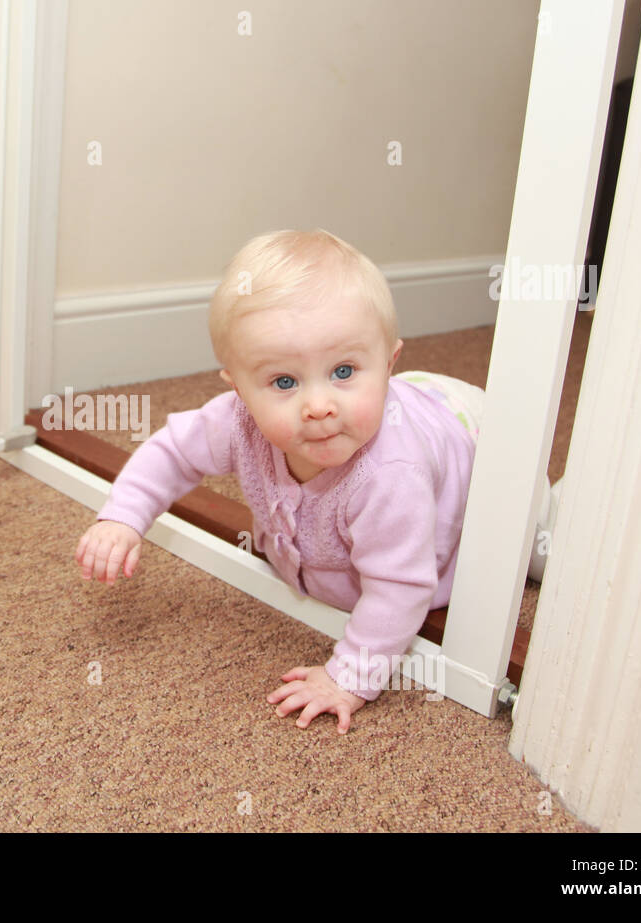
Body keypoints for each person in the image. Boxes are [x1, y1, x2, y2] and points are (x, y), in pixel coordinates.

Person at [73, 228, 554, 733]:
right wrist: (124, 515)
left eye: (344, 370)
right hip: (424, 404)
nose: (320, 405)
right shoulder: (237, 422)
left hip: (481, 438)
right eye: (284, 382)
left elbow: (399, 586)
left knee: (541, 550)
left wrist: (349, 676)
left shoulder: (389, 475)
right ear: (238, 390)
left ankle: (555, 509)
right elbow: (172, 452)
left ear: (389, 364)